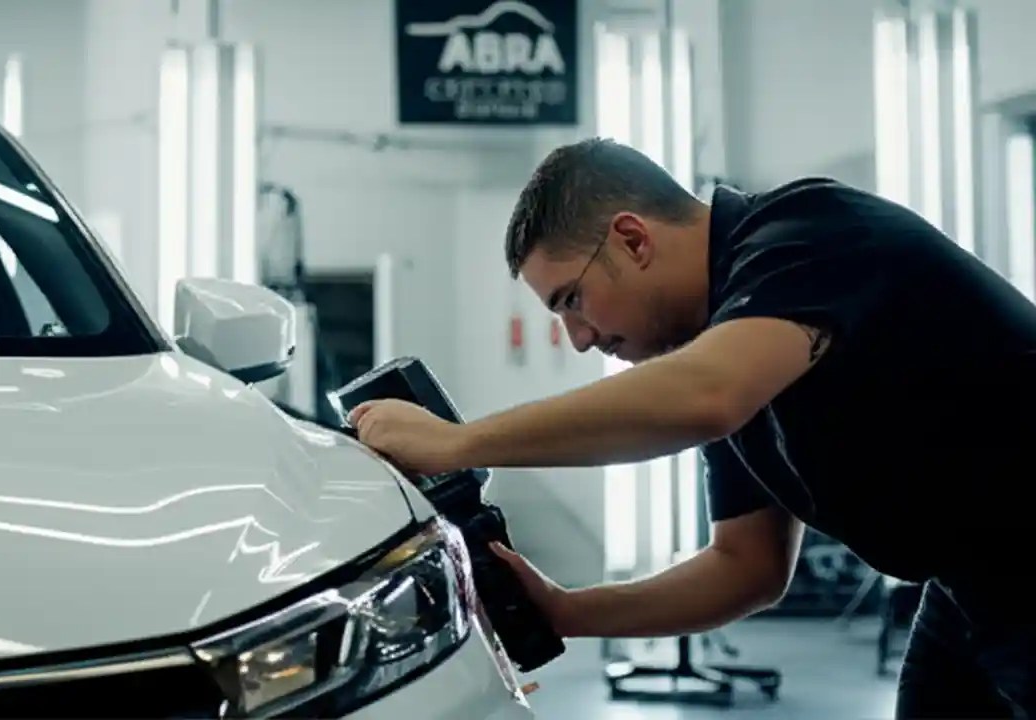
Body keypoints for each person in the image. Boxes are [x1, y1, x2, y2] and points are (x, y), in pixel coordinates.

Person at [348, 137, 1036, 718]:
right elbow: (747, 568)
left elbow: (708, 394)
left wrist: (454, 443)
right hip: (969, 589)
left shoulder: (811, 233)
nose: (580, 339)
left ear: (632, 238)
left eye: (572, 300)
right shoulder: (733, 346)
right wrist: (565, 612)